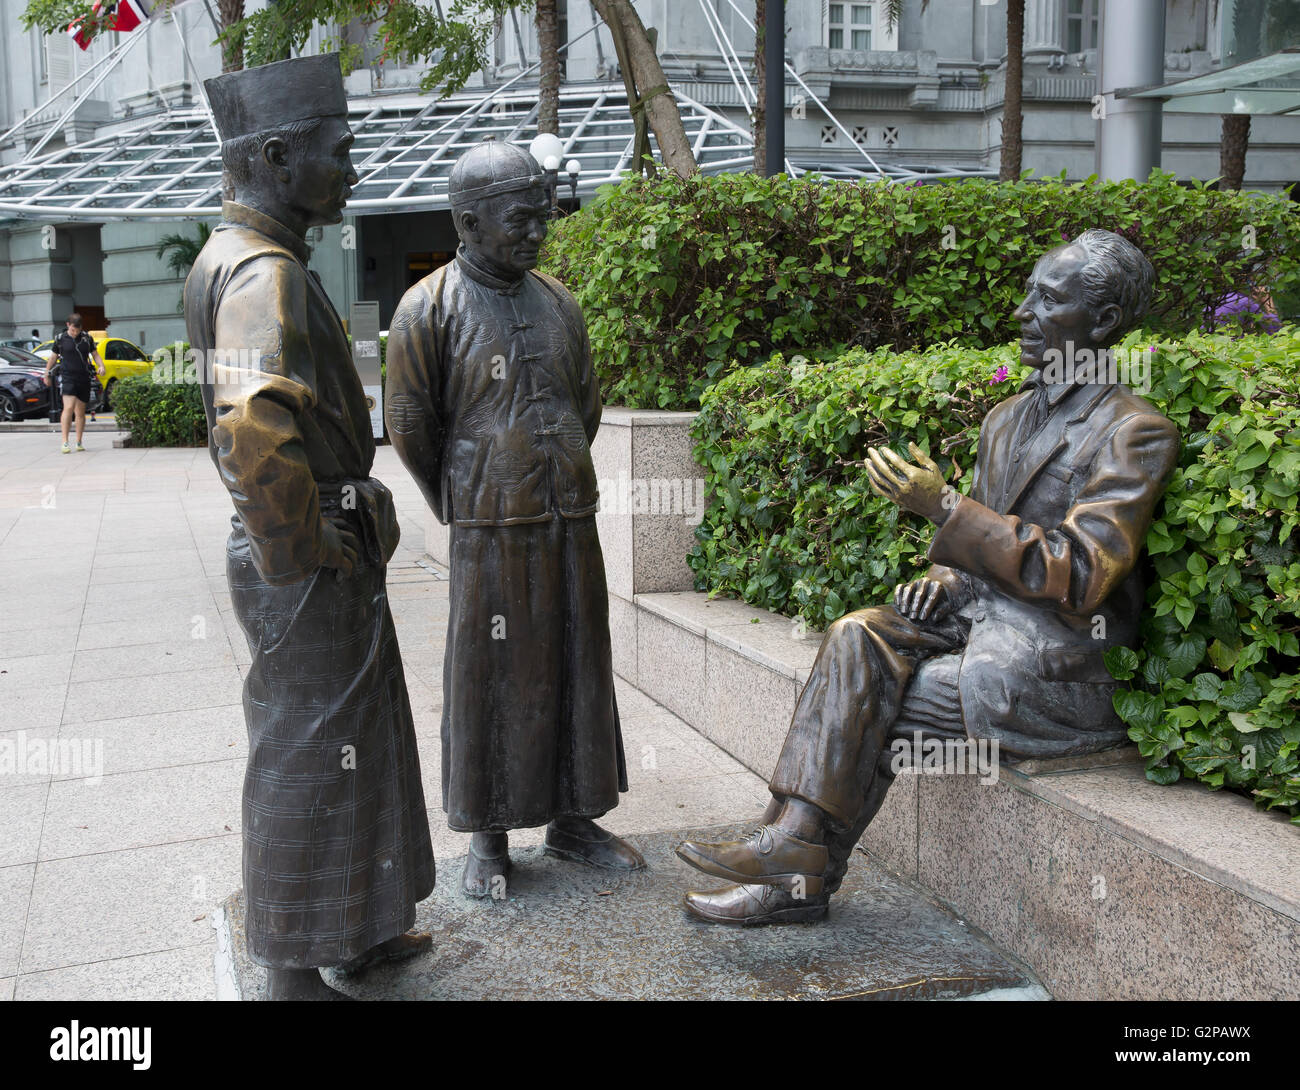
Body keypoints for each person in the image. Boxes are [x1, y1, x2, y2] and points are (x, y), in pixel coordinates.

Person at [675, 229, 1181, 926]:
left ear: (1102, 322)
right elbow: (972, 547)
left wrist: (944, 506)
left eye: (1048, 298)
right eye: (1029, 291)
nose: (1023, 311)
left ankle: (793, 868)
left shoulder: (1134, 430)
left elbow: (1084, 575)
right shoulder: (1006, 419)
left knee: (868, 703)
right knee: (857, 636)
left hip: (1054, 664)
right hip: (979, 625)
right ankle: (789, 854)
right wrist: (942, 581)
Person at [184, 53, 435, 1000]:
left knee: (355, 740)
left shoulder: (243, 254)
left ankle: (360, 928)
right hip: (308, 556)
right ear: (279, 156)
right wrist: (305, 547)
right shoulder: (262, 270)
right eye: (341, 151)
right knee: (306, 750)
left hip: (322, 546)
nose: (354, 171)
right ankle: (291, 969)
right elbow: (251, 427)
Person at [385, 137, 644, 900]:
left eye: (544, 216)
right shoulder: (426, 306)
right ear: (467, 222)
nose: (538, 232)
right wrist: (468, 492)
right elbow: (408, 421)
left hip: (568, 512)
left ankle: (573, 817)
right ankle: (488, 834)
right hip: (491, 524)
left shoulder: (559, 299)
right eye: (520, 219)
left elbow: (584, 401)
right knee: (491, 673)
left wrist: (553, 463)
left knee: (577, 662)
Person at [44, 314, 104, 453]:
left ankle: (79, 441)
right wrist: (46, 373)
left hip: (83, 377)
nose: (75, 333)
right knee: (69, 407)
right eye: (72, 330)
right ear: (68, 325)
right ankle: (65, 441)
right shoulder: (60, 339)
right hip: (67, 377)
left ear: (81, 328)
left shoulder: (86, 338)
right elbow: (53, 357)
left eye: (77, 330)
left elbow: (95, 354)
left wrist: (101, 365)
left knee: (80, 412)